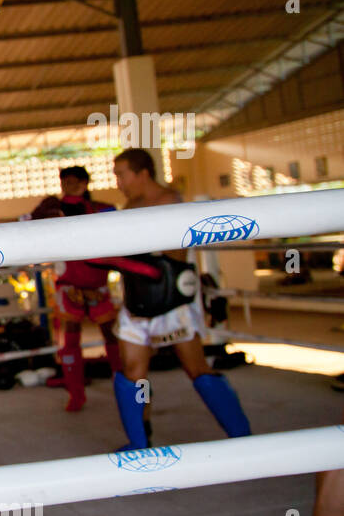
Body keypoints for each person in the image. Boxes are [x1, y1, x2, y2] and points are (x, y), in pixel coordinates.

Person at [110, 149, 251, 450]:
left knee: (196, 369)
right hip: (138, 300)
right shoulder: (131, 204)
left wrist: (135, 247)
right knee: (132, 373)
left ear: (142, 173)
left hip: (171, 300)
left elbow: (172, 257)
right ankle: (139, 443)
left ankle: (242, 437)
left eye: (121, 174)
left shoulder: (170, 202)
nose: (118, 182)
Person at [28, 165, 122, 412]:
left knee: (112, 336)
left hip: (97, 283)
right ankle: (76, 394)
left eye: (73, 181)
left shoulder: (102, 209)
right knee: (69, 341)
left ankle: (125, 386)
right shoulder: (53, 211)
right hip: (68, 285)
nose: (68, 186)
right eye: (65, 181)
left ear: (84, 183)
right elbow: (31, 232)